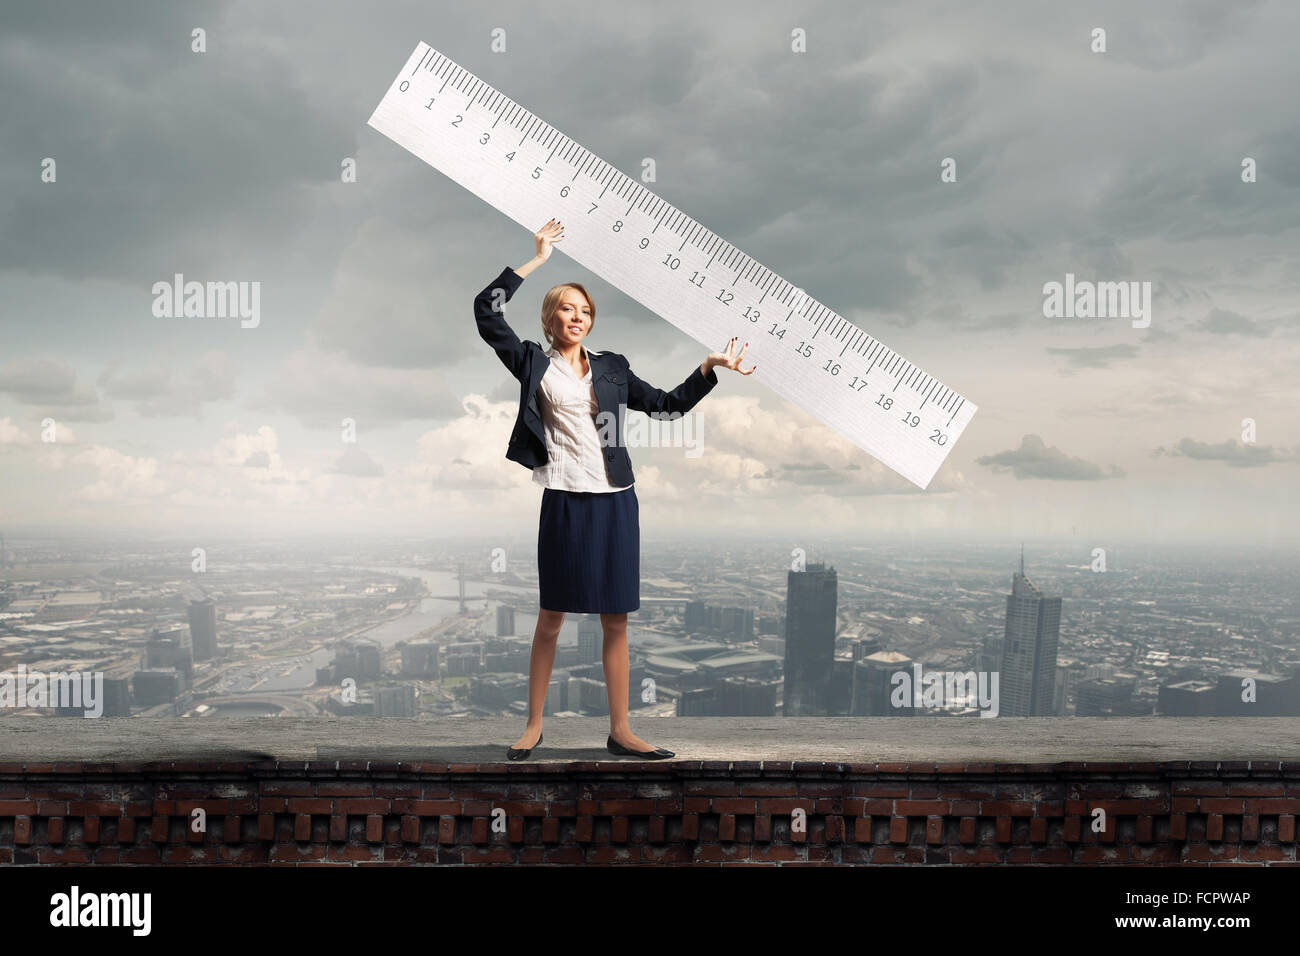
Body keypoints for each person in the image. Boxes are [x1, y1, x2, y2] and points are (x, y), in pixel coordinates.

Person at [472, 218, 754, 760]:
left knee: (616, 619)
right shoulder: (531, 362)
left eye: (585, 311)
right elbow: (487, 309)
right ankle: (533, 726)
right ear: (550, 317)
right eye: (567, 309)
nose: (577, 317)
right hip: (564, 499)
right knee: (551, 618)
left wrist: (709, 367)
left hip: (616, 500)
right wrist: (535, 260)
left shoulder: (614, 369)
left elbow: (669, 405)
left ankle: (621, 730)